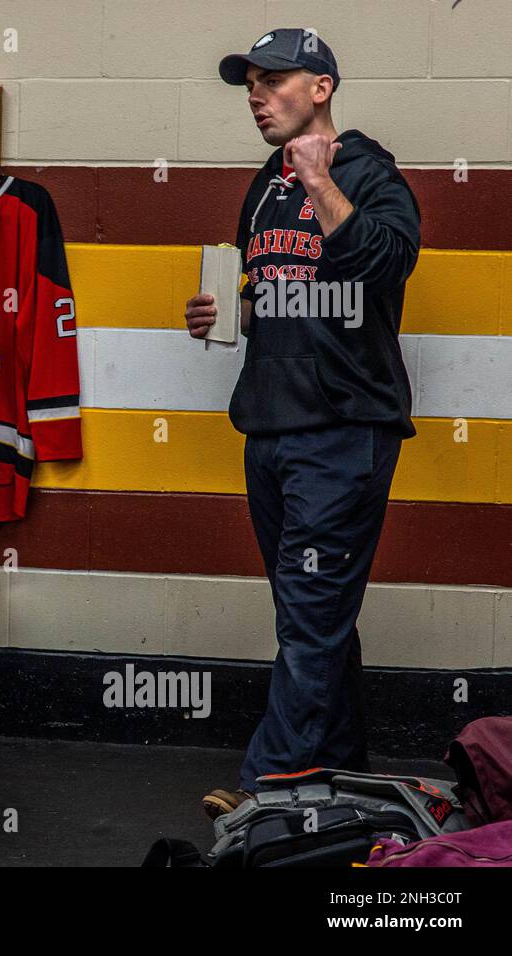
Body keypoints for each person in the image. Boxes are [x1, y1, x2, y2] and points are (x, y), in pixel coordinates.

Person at [184, 30, 421, 817]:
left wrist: (322, 181)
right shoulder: (264, 183)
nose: (256, 95)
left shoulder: (369, 173)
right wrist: (234, 310)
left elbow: (381, 266)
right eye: (249, 84)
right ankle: (339, 767)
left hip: (345, 431)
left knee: (312, 618)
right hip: (271, 428)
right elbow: (280, 291)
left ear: (320, 87)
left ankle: (266, 788)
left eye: (273, 81)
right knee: (310, 614)